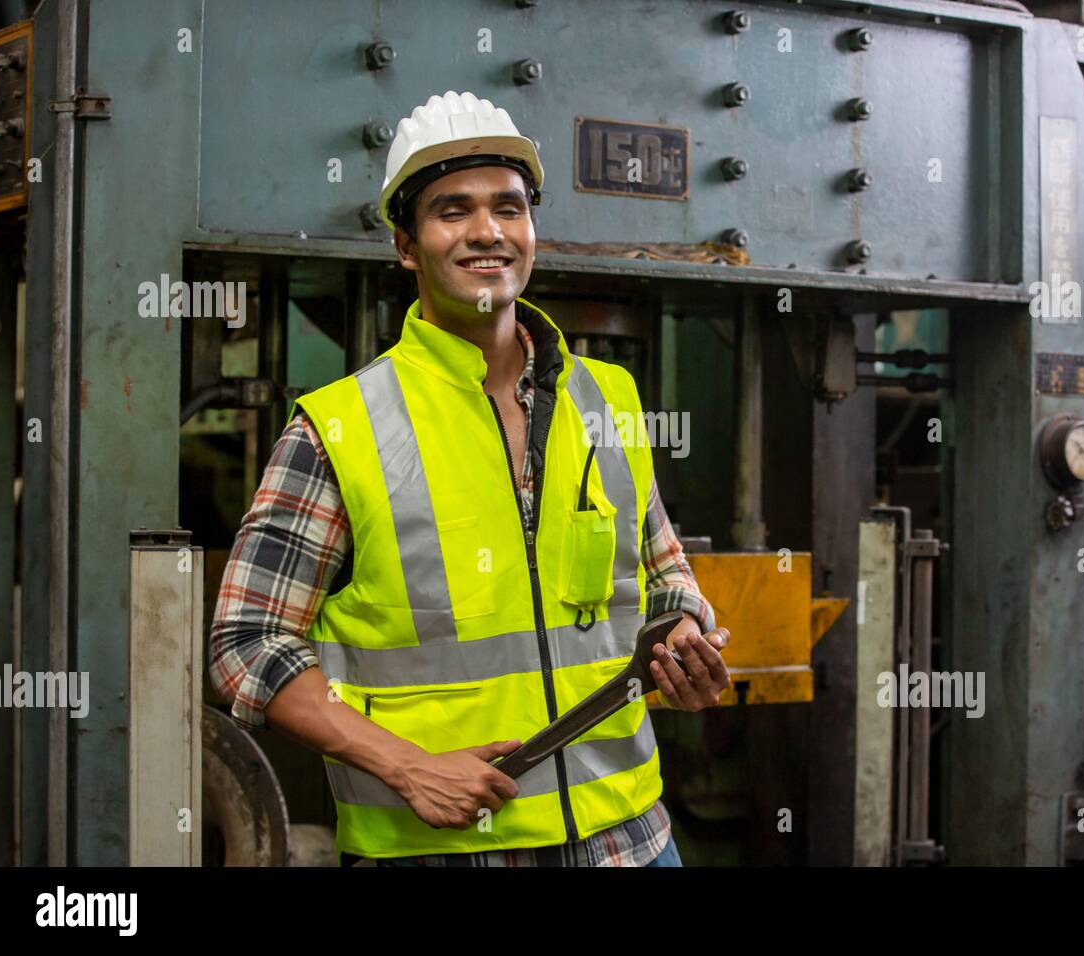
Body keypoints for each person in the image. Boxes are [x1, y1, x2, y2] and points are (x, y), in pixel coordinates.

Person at [209, 90, 730, 867]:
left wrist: (683, 635)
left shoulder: (607, 397)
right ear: (405, 246)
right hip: (439, 849)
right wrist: (406, 765)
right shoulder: (340, 428)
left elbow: (663, 573)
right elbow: (246, 643)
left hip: (629, 840)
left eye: (509, 208)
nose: (488, 231)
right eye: (453, 210)